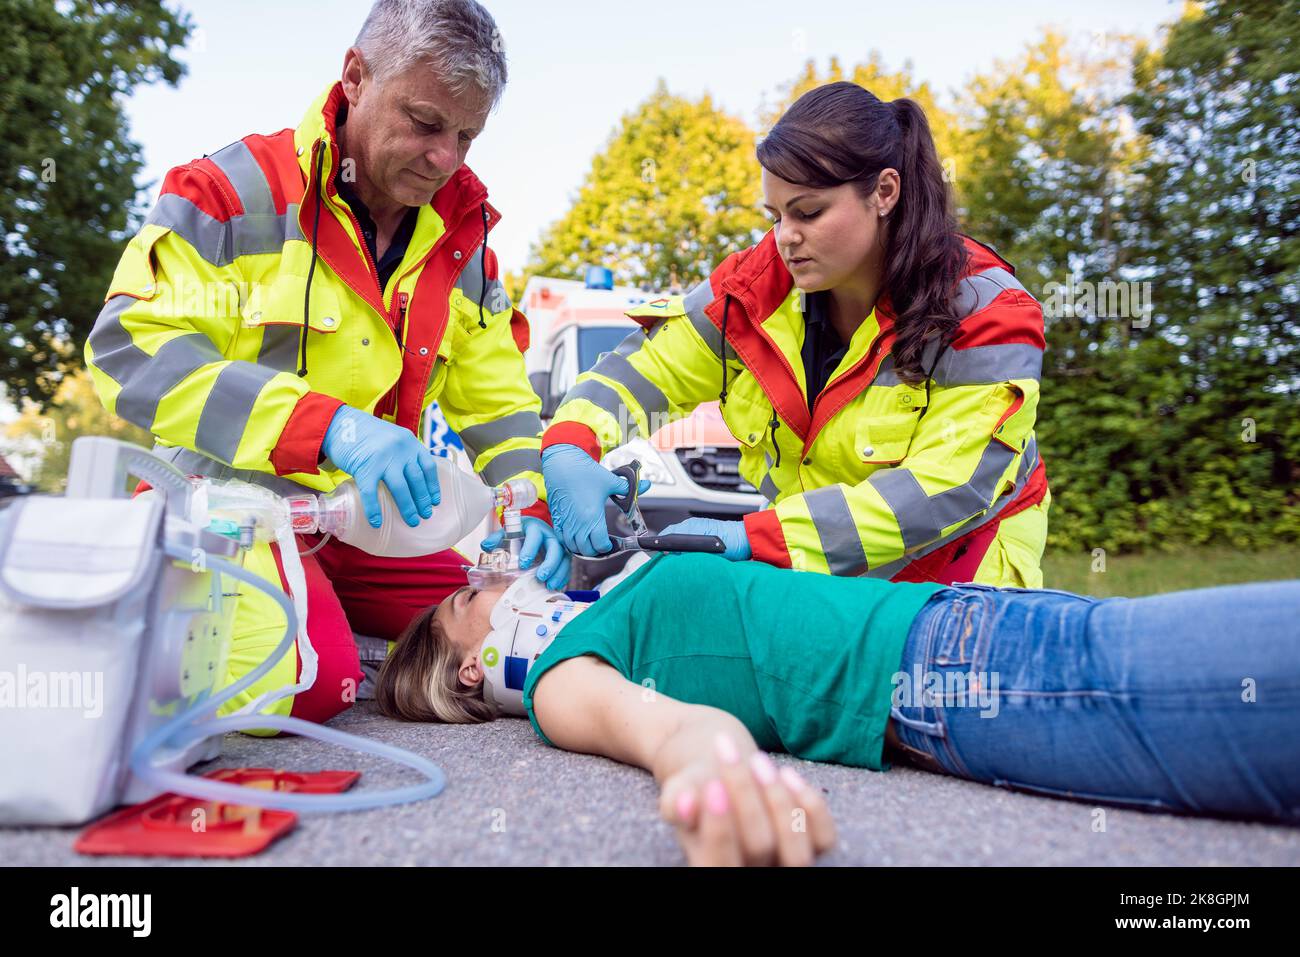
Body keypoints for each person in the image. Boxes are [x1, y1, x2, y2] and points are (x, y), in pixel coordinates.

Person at [83, 0, 570, 727]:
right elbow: (129, 349)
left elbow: (495, 395)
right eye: (426, 122)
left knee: (515, 618)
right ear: (354, 76)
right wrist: (331, 428)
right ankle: (226, 613)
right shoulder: (228, 194)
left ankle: (322, 612)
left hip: (364, 520)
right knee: (307, 684)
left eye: (467, 135)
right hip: (232, 507)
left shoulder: (462, 239)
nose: (448, 159)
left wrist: (526, 498)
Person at [375, 553, 1300, 866]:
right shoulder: (560, 677)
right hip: (940, 675)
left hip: (962, 613)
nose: (487, 579)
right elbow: (669, 730)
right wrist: (717, 774)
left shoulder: (603, 602)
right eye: (469, 598)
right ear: (469, 672)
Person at [541, 81, 1049, 588]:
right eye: (776, 216)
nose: (785, 237)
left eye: (808, 212)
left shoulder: (986, 311)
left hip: (956, 578)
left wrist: (759, 538)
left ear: (885, 192)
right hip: (815, 569)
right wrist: (568, 450)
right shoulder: (752, 292)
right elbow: (645, 372)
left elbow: (948, 486)